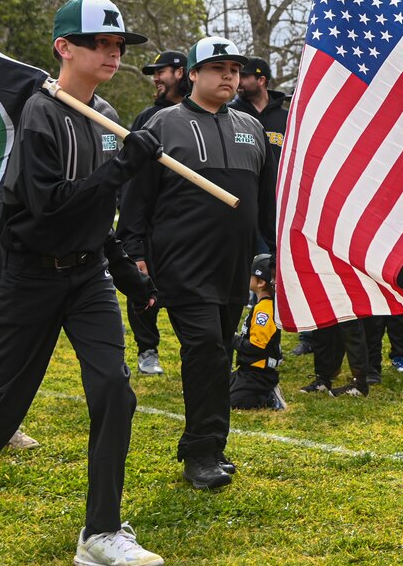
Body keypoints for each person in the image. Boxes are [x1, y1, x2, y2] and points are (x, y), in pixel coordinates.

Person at [0, 0, 165, 566]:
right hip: (30, 276)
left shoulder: (105, 116)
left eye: (118, 46)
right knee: (7, 400)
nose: (114, 53)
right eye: (101, 44)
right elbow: (48, 205)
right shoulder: (37, 113)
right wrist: (122, 168)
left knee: (114, 390)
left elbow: (94, 212)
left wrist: (124, 270)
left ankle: (100, 533)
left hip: (89, 277)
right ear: (64, 48)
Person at [120, 36, 276, 491]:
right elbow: (135, 199)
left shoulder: (252, 128)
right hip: (184, 263)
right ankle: (200, 451)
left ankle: (214, 443)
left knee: (221, 349)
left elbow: (263, 204)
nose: (229, 75)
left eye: (234, 68)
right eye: (217, 67)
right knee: (205, 347)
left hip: (235, 265)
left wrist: (266, 252)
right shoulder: (161, 124)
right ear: (192, 74)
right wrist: (136, 254)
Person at [122, 50, 189, 378]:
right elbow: (131, 179)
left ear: (179, 72)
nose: (155, 79)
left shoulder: (199, 115)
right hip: (151, 224)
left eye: (160, 72)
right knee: (144, 286)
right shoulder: (148, 118)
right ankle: (147, 348)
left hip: (188, 224)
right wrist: (132, 238)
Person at [228, 254, 285, 411]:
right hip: (247, 370)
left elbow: (256, 347)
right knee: (216, 392)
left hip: (259, 375)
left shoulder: (265, 311)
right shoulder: (260, 306)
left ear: (260, 282)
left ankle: (268, 395)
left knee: (234, 402)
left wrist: (230, 338)